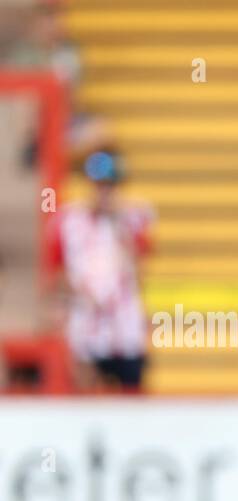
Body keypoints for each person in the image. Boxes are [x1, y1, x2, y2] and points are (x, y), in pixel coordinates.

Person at [49, 149, 153, 392]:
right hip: (87, 325)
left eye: (110, 186)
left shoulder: (132, 218)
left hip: (125, 328)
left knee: (131, 395)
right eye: (100, 186)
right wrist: (80, 295)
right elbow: (58, 272)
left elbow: (140, 265)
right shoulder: (68, 221)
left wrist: (120, 226)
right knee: (85, 397)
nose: (104, 193)